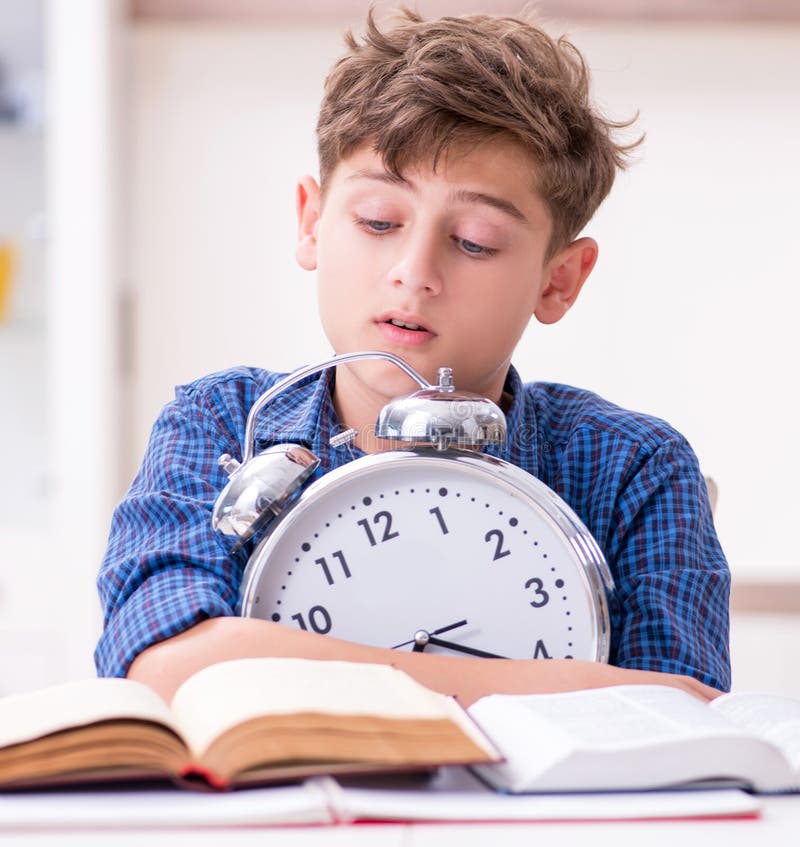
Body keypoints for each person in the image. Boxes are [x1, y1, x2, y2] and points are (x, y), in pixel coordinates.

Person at [95, 7, 730, 705]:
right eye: (378, 221)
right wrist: (578, 686)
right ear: (311, 223)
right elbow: (162, 664)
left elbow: (679, 723)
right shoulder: (221, 420)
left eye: (477, 241)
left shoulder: (631, 468)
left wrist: (270, 659)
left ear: (560, 279)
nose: (413, 270)